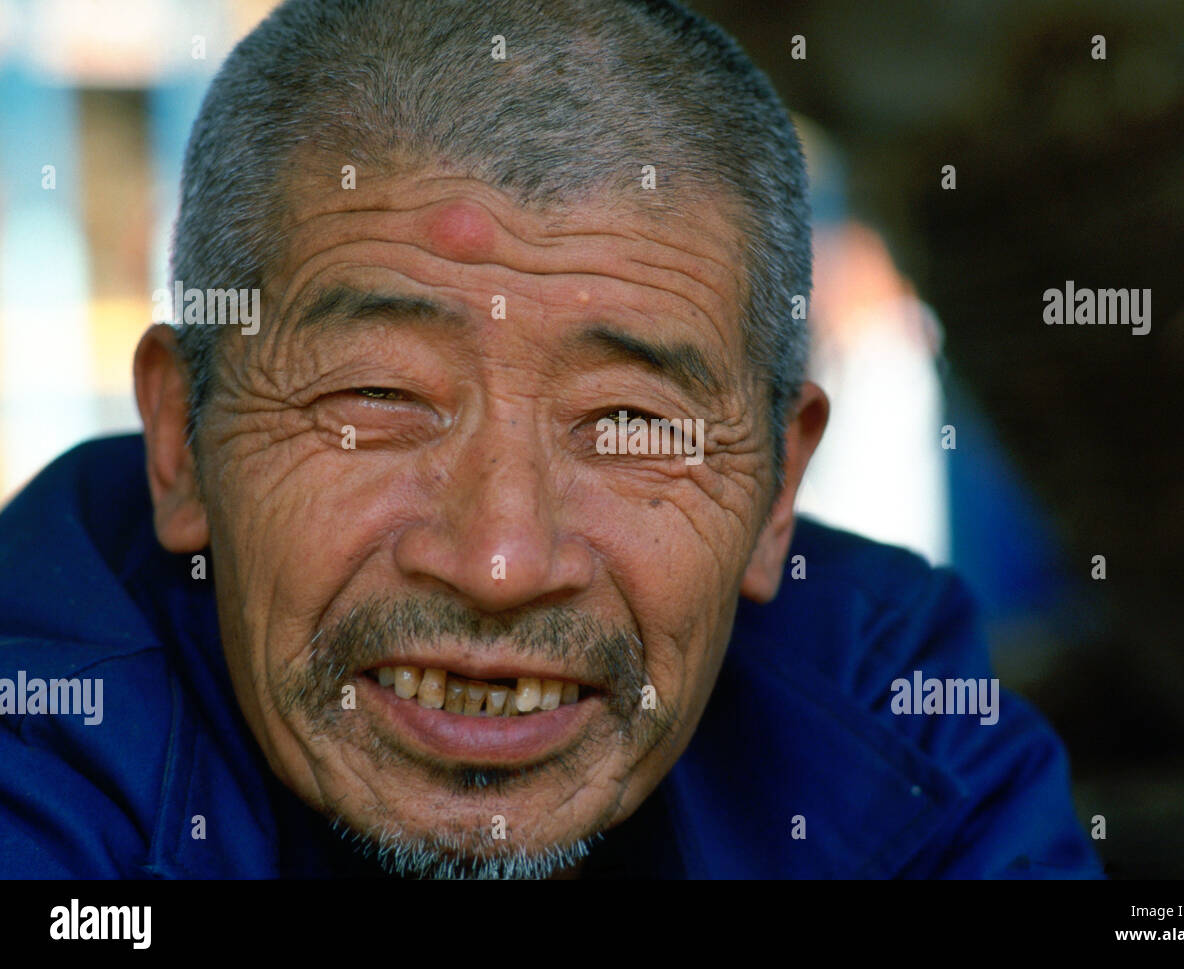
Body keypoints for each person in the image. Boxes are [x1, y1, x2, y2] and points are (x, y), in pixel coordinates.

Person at [0, 0, 1101, 878]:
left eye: (627, 424)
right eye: (379, 397)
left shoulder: (882, 726)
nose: (501, 561)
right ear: (180, 441)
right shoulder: (42, 745)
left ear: (776, 493)